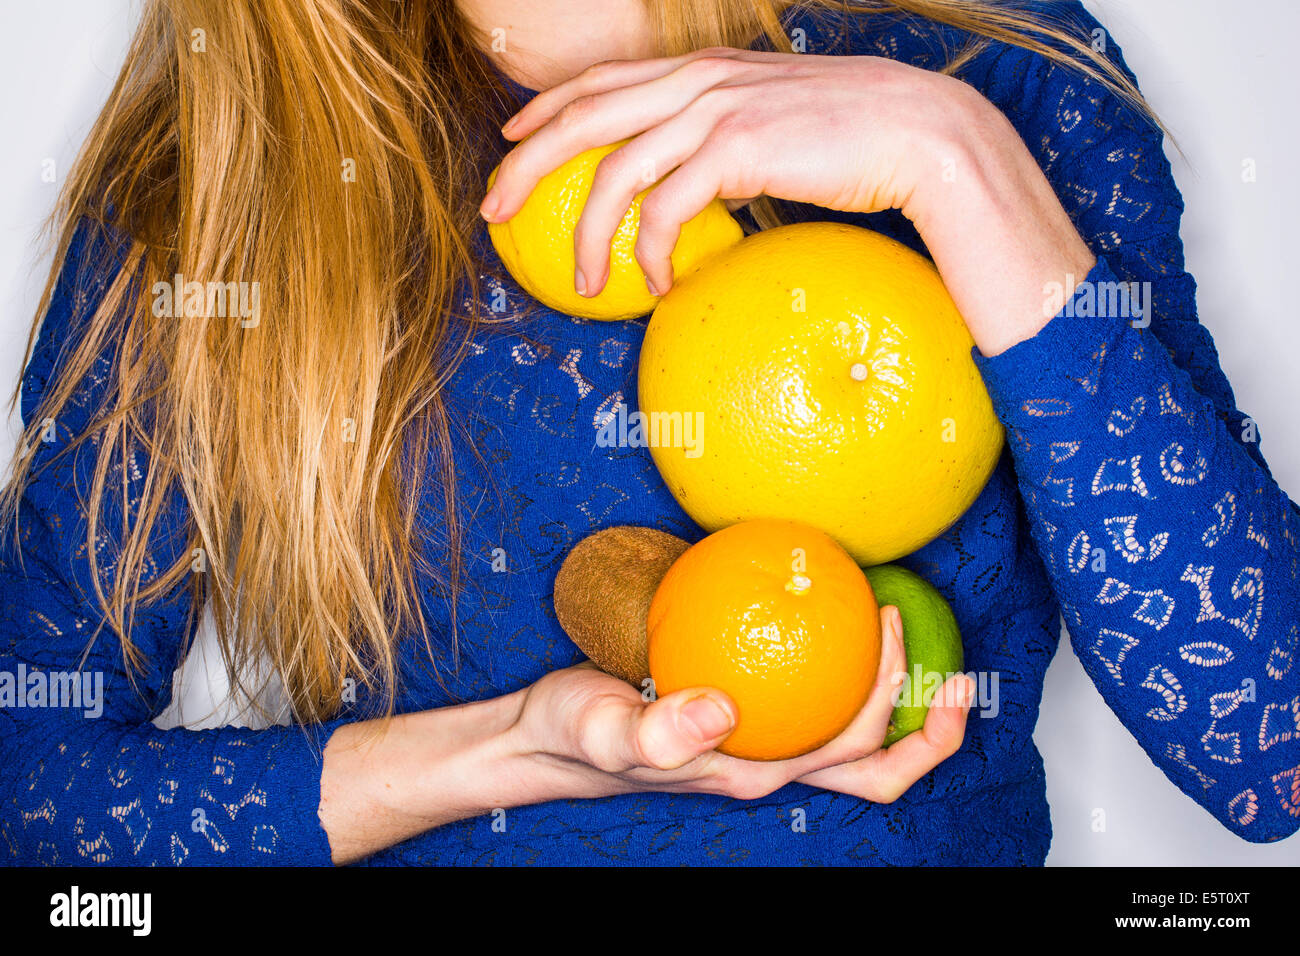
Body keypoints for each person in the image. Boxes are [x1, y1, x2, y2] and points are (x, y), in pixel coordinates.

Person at [2, 0, 1296, 866]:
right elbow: (30, 788)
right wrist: (509, 752)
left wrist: (951, 156)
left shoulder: (982, 54)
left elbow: (1265, 743)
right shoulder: (227, 181)